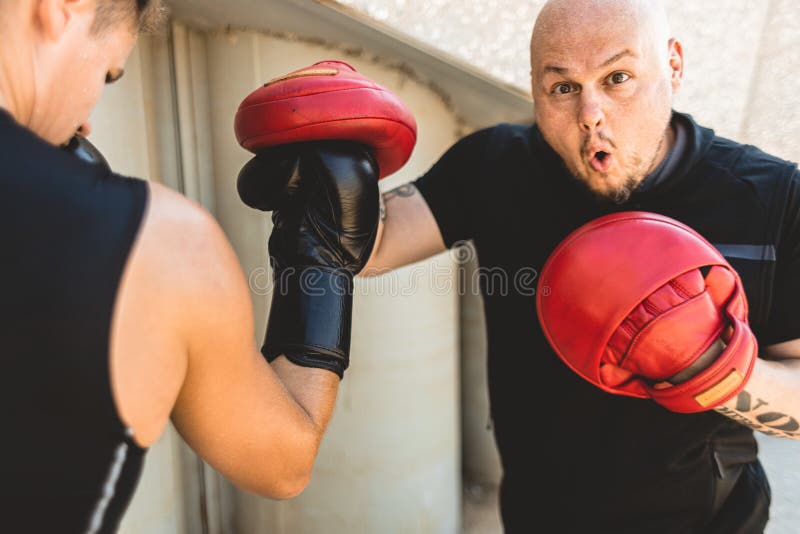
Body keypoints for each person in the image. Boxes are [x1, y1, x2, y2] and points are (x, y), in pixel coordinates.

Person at [245, 0, 800, 531]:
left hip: (707, 521)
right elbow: (369, 246)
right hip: (540, 515)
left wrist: (717, 370)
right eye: (563, 87)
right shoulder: (495, 165)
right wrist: (327, 187)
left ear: (673, 64)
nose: (591, 115)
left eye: (617, 78)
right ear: (535, 89)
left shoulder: (771, 199)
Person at [0, 1, 378, 532]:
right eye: (107, 74)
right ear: (66, 7)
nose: (87, 120)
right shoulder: (157, 246)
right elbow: (284, 462)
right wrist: (321, 260)